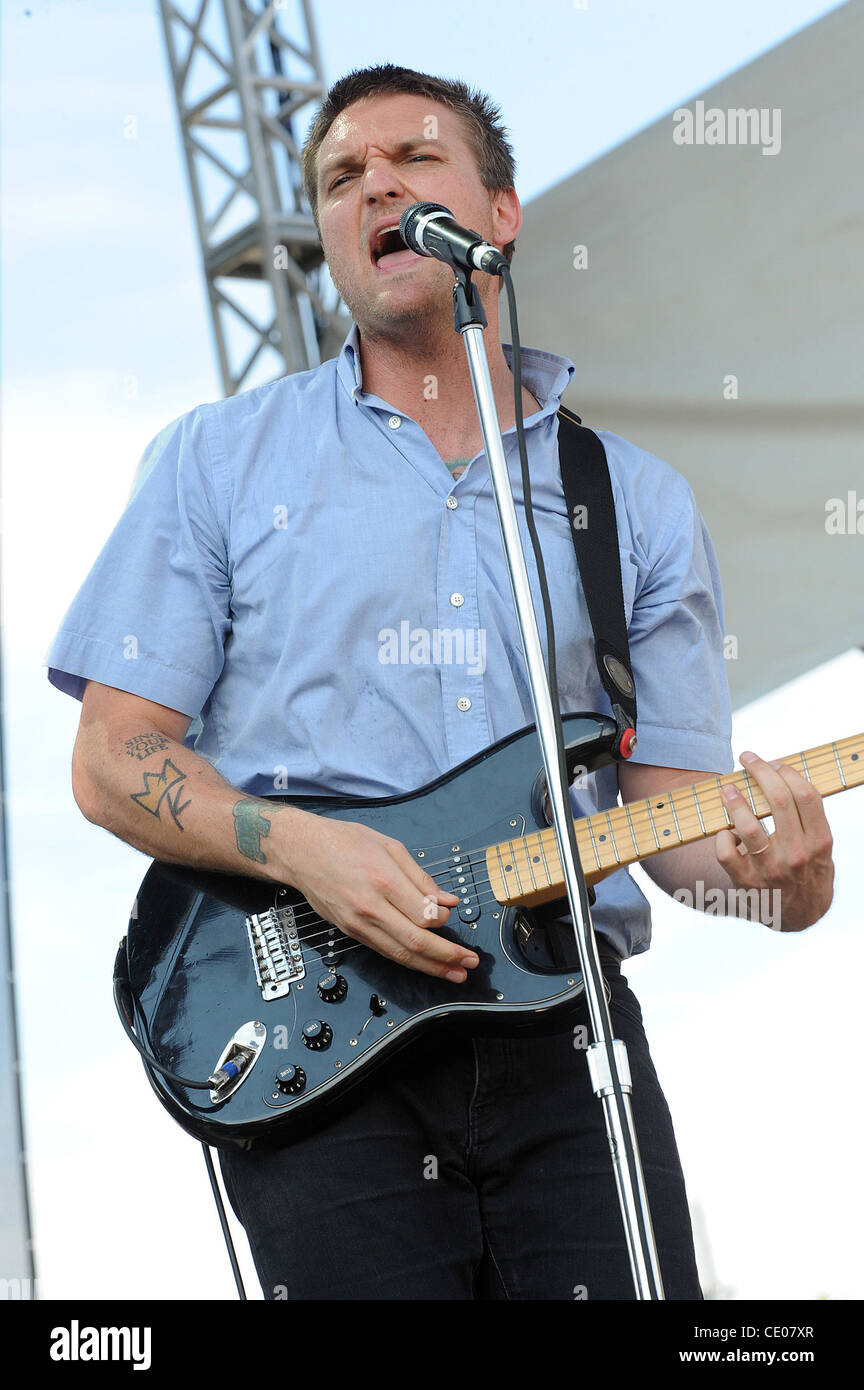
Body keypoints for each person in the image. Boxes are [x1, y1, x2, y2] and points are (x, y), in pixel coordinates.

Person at [46, 65, 835, 1301]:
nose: (377, 190)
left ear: (498, 215)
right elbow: (110, 757)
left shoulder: (630, 499)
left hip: (567, 1028)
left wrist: (783, 882)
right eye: (343, 179)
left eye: (412, 160)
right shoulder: (220, 458)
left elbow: (673, 823)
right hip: (325, 1044)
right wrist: (303, 848)